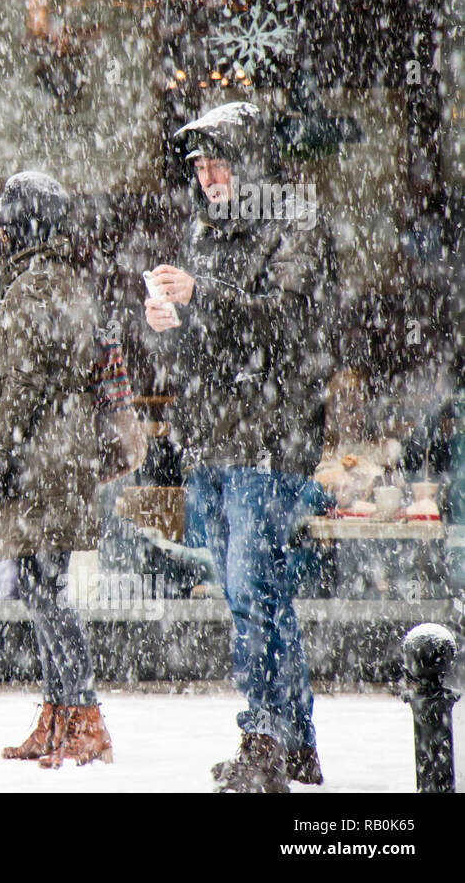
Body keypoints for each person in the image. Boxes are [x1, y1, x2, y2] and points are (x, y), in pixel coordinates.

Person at [147, 101, 336, 792]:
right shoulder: (209, 231)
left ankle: (266, 738)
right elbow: (219, 338)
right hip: (219, 440)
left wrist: (203, 298)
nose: (206, 176)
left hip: (267, 437)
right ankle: (295, 740)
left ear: (250, 162)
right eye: (198, 166)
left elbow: (284, 328)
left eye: (218, 162)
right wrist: (171, 321)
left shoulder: (293, 220)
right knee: (256, 595)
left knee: (252, 592)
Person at [0, 170, 144, 769]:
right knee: (40, 587)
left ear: (23, 227)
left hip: (39, 457)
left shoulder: (34, 287)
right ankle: (59, 714)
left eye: (5, 223)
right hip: (52, 455)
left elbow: (22, 386)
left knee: (43, 590)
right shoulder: (51, 280)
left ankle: (84, 715)